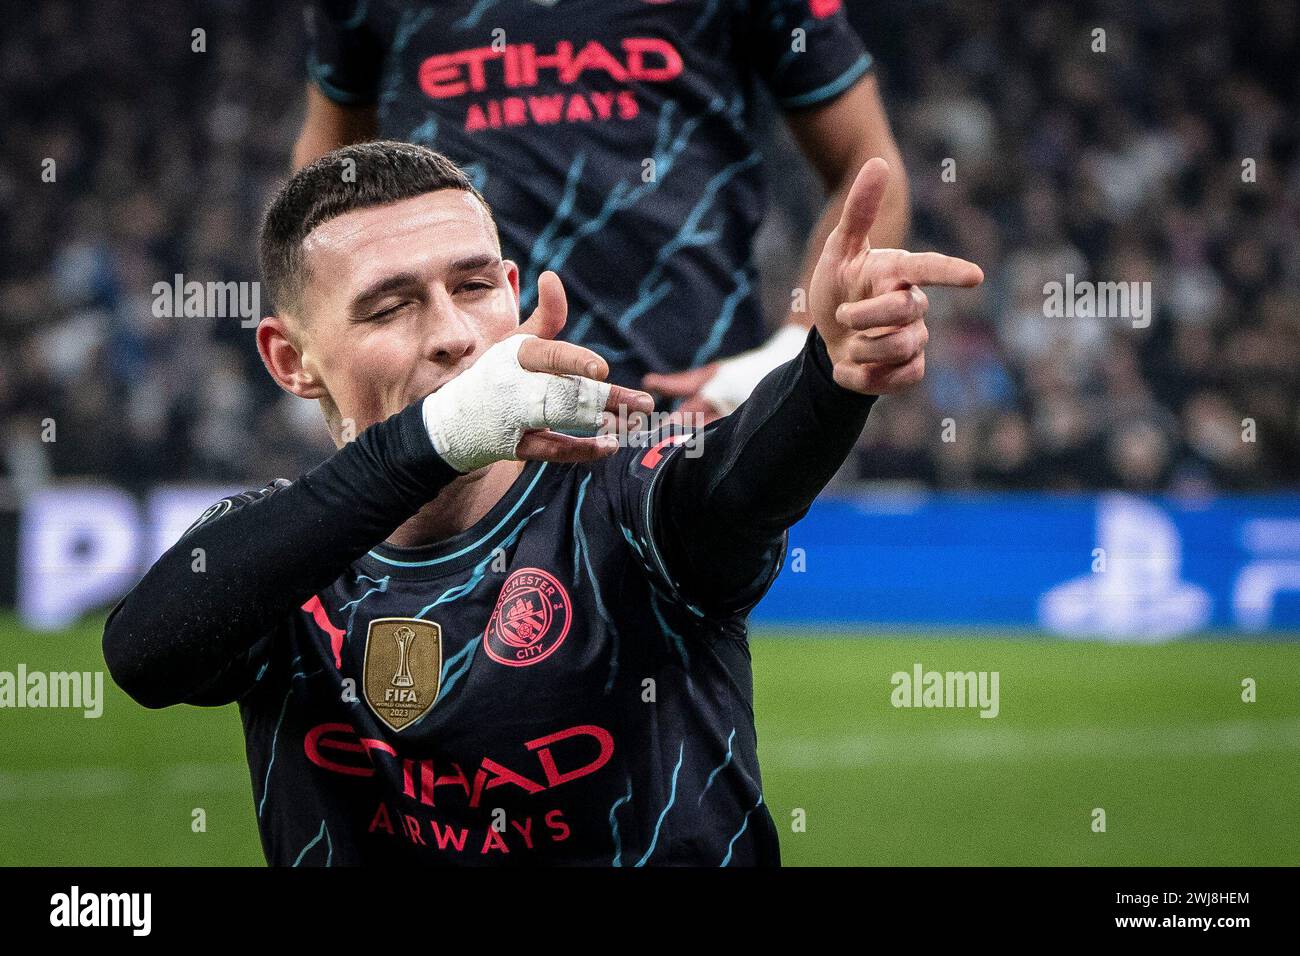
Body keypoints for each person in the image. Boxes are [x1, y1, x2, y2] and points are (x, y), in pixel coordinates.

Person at [102, 142, 981, 865]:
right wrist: (429, 444)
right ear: (291, 361)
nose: (453, 332)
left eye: (475, 286)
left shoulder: (623, 492)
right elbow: (145, 654)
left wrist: (826, 377)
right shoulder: (278, 556)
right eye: (390, 307)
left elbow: (733, 490)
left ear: (517, 293)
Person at [294, 0, 910, 419]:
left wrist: (791, 355)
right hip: (458, 401)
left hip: (691, 417)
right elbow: (328, 178)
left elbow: (867, 163)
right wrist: (340, 351)